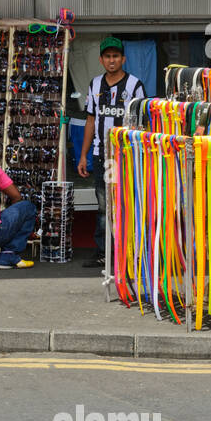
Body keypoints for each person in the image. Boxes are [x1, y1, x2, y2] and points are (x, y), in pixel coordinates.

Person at [78, 36, 146, 268]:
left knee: (128, 202)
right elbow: (90, 120)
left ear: (123, 59)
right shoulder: (95, 84)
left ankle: (130, 252)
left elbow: (142, 123)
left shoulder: (135, 85)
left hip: (126, 155)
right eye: (107, 56)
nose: (112, 60)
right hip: (101, 155)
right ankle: (104, 252)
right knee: (103, 204)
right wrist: (84, 155)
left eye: (116, 56)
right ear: (101, 59)